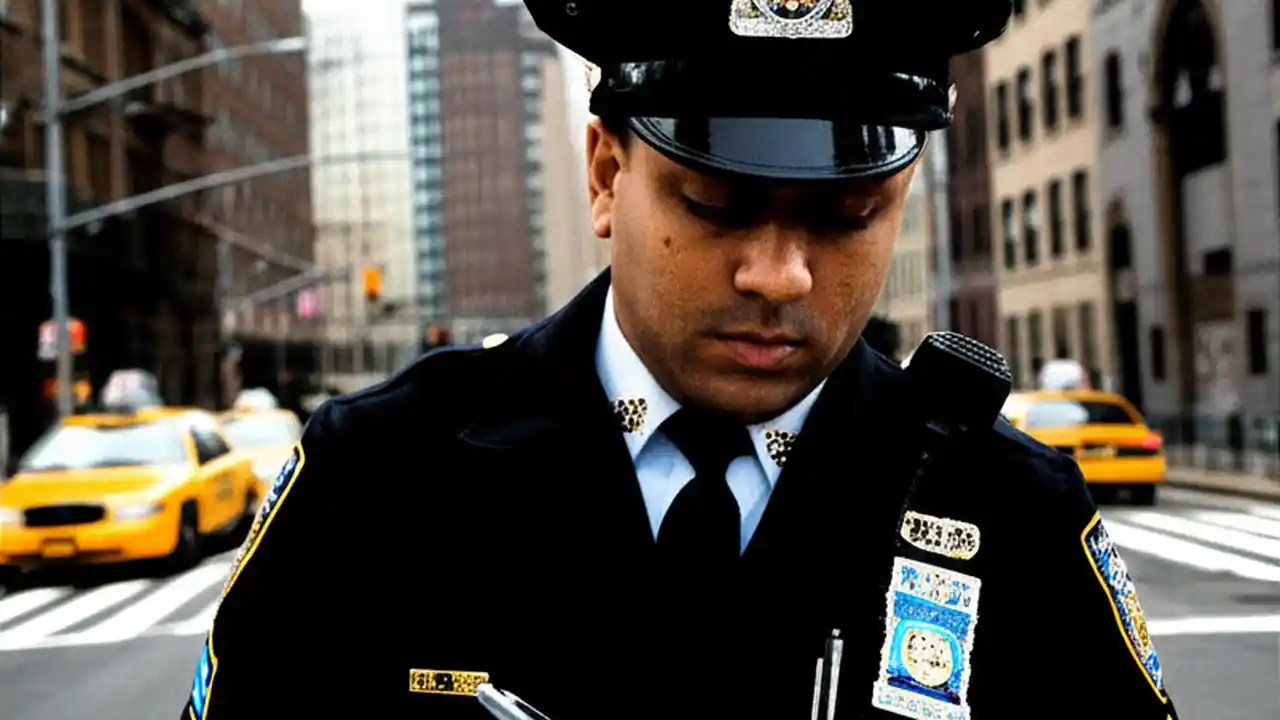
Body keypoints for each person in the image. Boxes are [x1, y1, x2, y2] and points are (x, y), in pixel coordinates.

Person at [180, 2, 1179, 719]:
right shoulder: (380, 477)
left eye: (845, 216)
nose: (778, 274)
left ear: (902, 197)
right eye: (716, 205)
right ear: (604, 175)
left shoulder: (1006, 508)